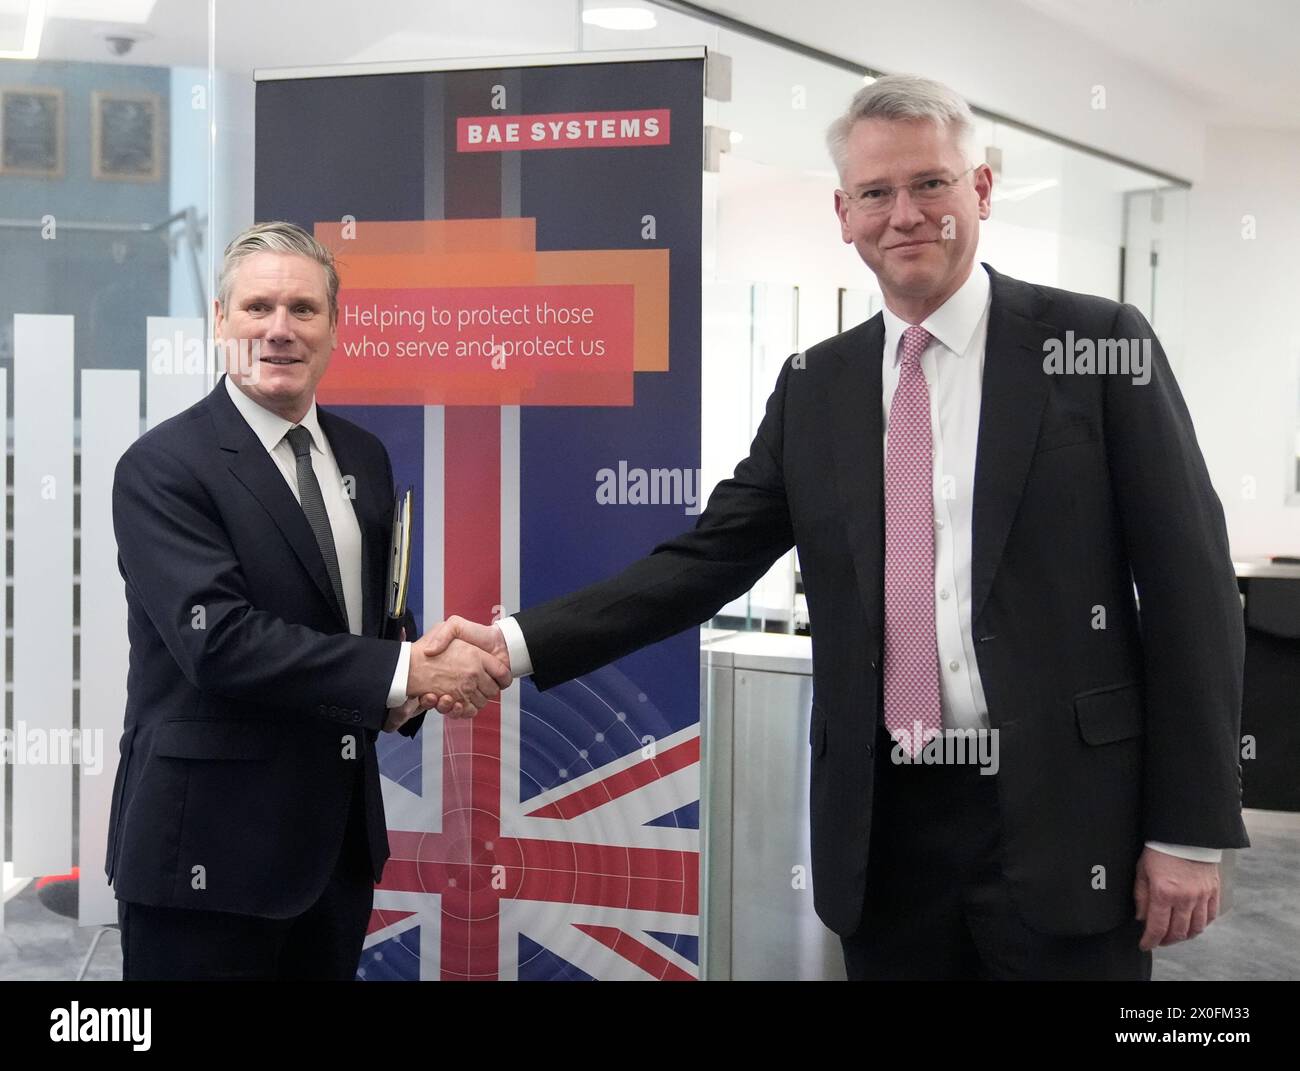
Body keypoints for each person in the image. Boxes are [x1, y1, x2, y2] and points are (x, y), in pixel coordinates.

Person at [412, 75, 1249, 980]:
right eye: (877, 194)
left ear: (982, 190)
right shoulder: (817, 383)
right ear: (844, 214)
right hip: (883, 836)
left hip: (1065, 820)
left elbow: (1192, 589)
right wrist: (512, 645)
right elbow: (706, 559)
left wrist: (1191, 826)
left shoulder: (1092, 346)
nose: (906, 214)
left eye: (931, 183)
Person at [107, 222, 509, 980]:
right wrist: (404, 671)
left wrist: (413, 682)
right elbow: (218, 642)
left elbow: (369, 620)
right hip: (205, 858)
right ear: (221, 320)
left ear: (336, 325)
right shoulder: (163, 467)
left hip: (333, 853)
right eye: (258, 308)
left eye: (303, 308)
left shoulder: (363, 456)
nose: (280, 329)